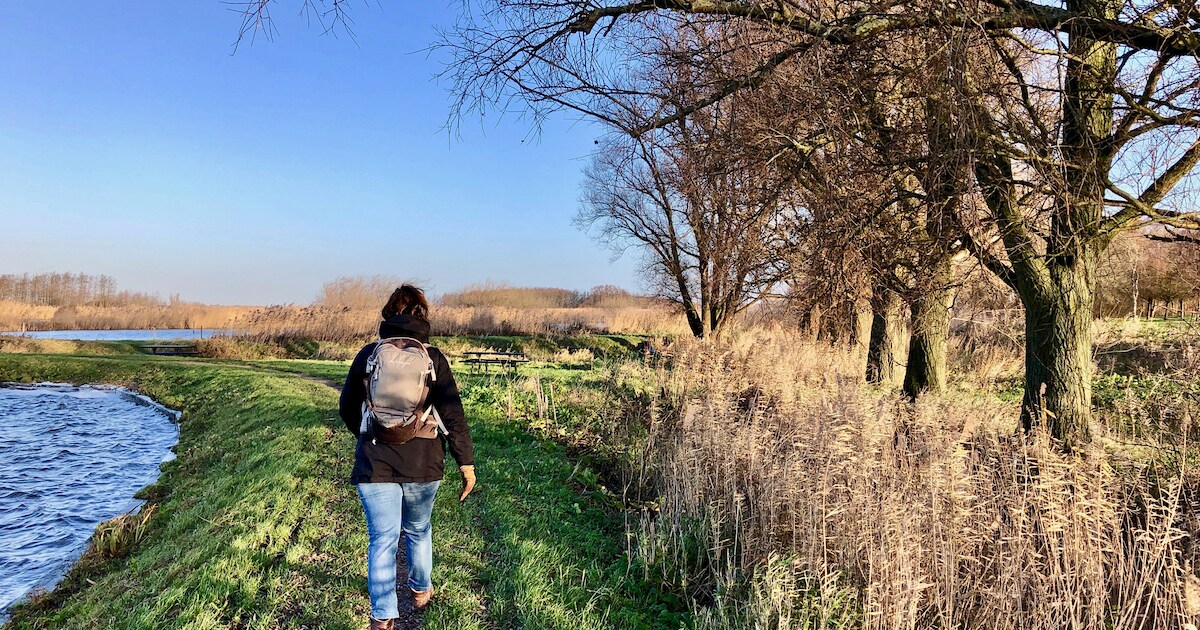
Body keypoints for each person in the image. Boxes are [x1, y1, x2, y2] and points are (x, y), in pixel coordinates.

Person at [339, 284, 476, 630]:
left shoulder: (369, 354)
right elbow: (453, 414)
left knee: (382, 538)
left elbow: (346, 408)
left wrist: (371, 434)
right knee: (418, 529)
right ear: (421, 315)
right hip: (423, 461)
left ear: (389, 313)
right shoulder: (433, 358)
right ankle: (419, 590)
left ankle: (382, 615)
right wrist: (465, 462)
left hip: (375, 461)